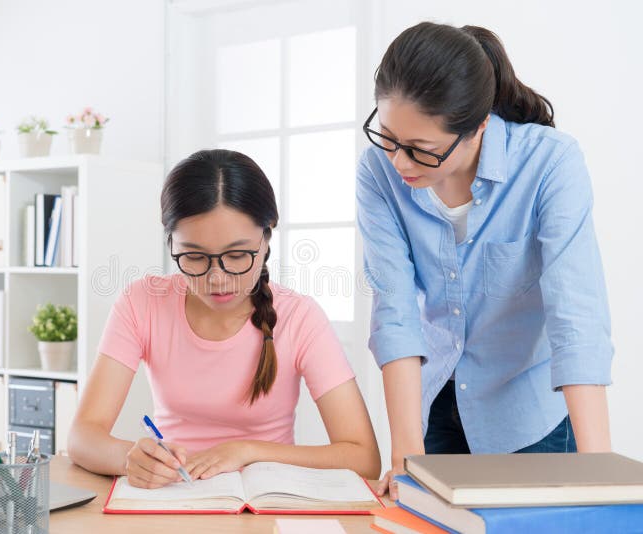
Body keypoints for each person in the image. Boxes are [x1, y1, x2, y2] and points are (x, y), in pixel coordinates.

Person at [356, 22, 613, 499]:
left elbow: (575, 314)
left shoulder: (549, 163)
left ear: (478, 127)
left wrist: (601, 474)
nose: (399, 163)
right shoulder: (377, 172)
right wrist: (406, 457)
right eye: (388, 137)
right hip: (432, 403)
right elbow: (395, 311)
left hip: (525, 414)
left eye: (421, 151)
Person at [69, 149, 381, 488]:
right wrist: (129, 458)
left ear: (267, 236)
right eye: (194, 256)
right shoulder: (141, 302)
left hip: (266, 503)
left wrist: (246, 451)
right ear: (170, 241)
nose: (217, 278)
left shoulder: (300, 317)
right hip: (175, 499)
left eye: (236, 255)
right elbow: (83, 437)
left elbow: (363, 459)